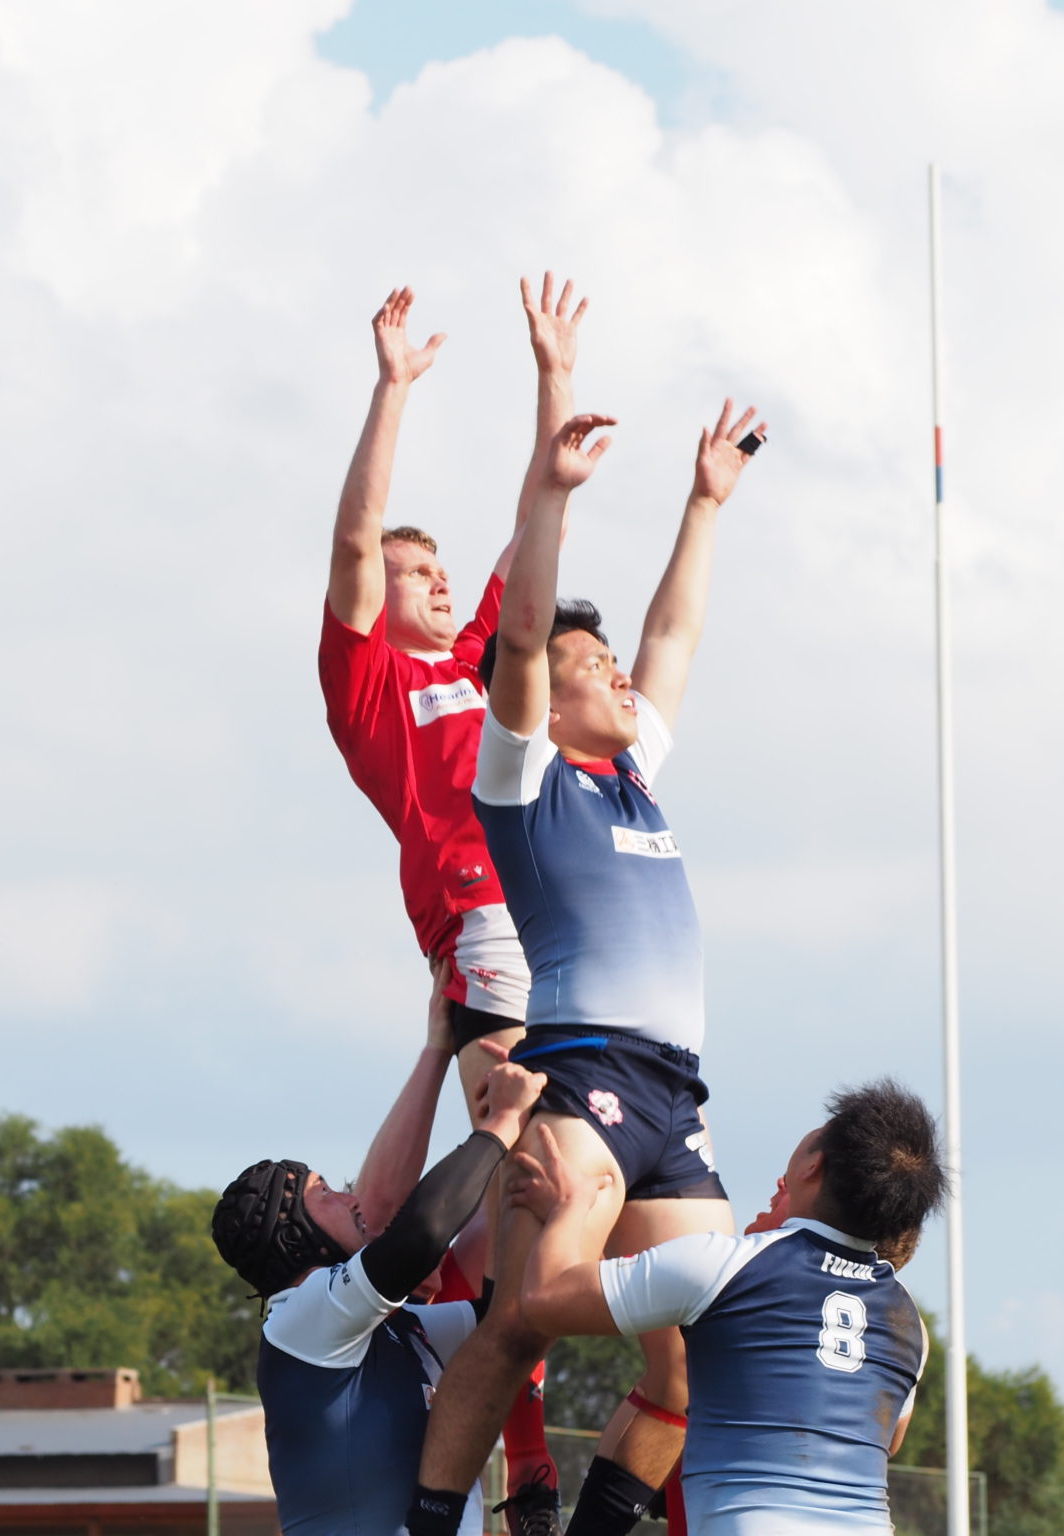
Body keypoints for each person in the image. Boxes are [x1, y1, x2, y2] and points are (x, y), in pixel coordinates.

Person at [403, 399, 767, 1536]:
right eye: (592, 667)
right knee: (521, 1320)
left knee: (693, 1367)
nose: (620, 678)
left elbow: (675, 638)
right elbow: (517, 640)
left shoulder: (633, 776)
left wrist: (703, 506)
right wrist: (549, 492)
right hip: (584, 1074)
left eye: (614, 666)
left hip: (675, 1093)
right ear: (548, 705)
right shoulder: (526, 783)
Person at [319, 276, 592, 1521]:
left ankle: (530, 1405)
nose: (426, 581)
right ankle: (519, 1455)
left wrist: (553, 380)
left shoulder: (483, 662)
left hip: (568, 933)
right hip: (482, 945)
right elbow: (349, 547)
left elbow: (537, 521)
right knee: (521, 1178)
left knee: (576, 1191)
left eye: (432, 566)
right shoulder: (374, 693)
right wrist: (391, 390)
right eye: (406, 570)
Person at [511, 1080, 950, 1533]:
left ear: (813, 1167)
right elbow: (886, 1438)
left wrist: (571, 1207)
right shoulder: (908, 1321)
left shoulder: (726, 1265)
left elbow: (546, 1300)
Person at [210, 963, 548, 1536]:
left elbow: (504, 1315)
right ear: (294, 1233)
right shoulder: (299, 1319)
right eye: (327, 1194)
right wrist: (502, 1124)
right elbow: (417, 1234)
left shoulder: (396, 1328)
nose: (349, 1197)